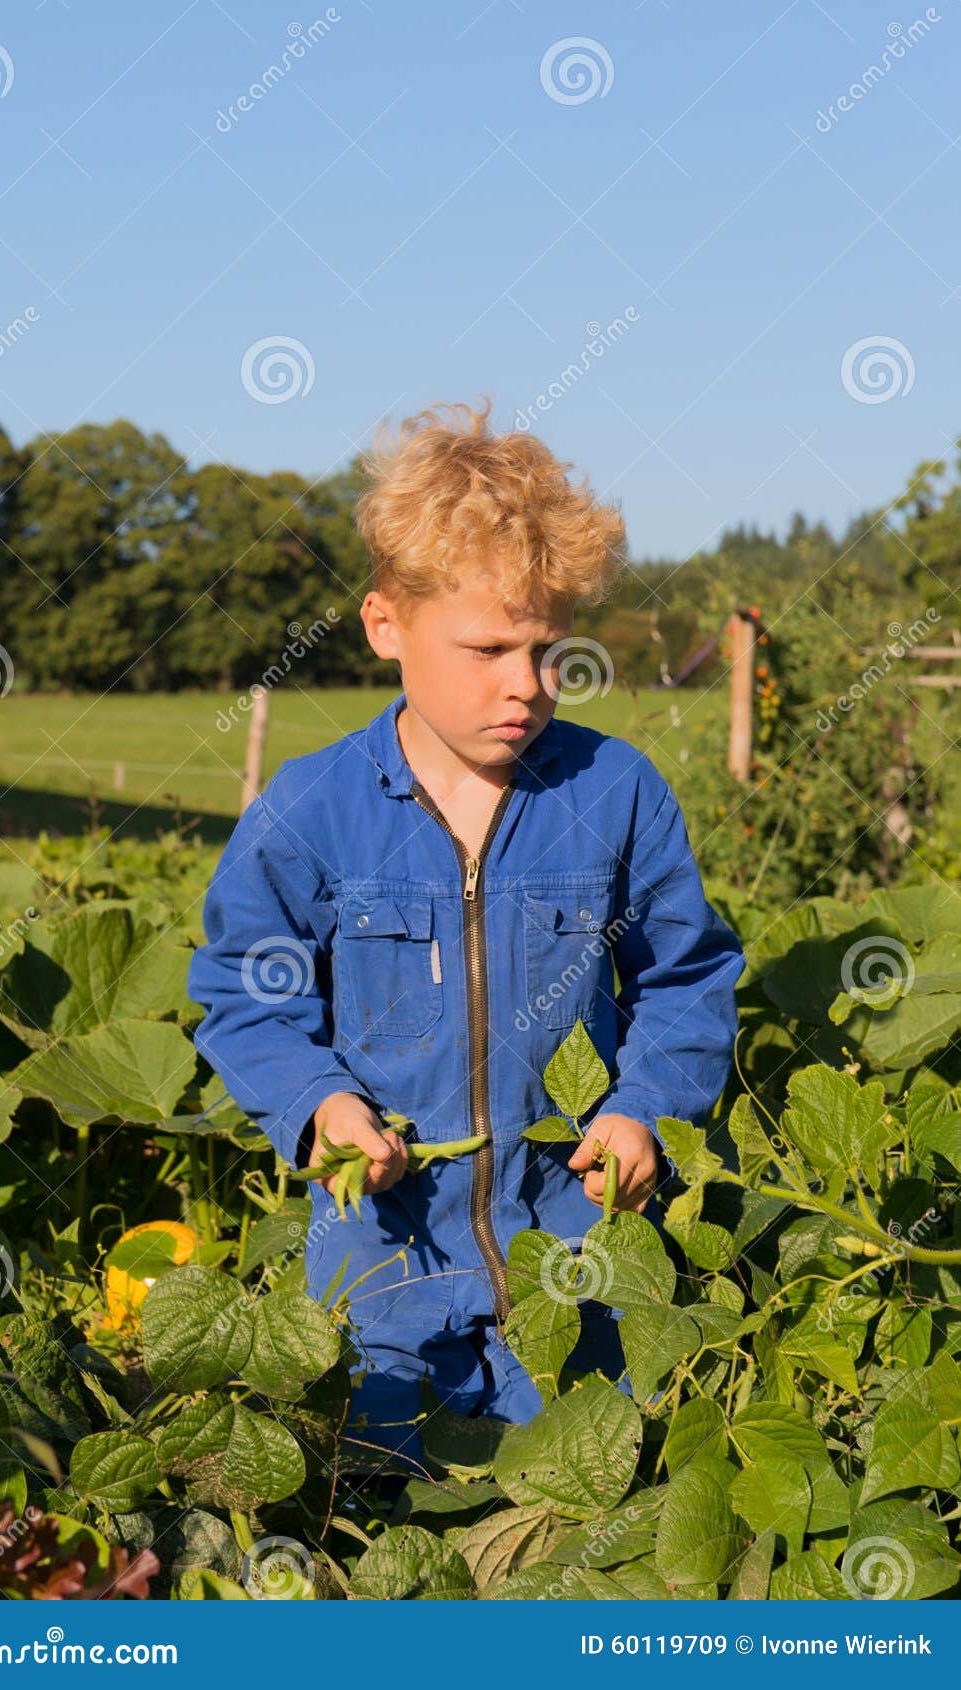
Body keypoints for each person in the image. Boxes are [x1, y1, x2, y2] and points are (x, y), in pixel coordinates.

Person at [187, 397, 746, 1468]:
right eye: (487, 647)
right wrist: (318, 1106)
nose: (524, 686)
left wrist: (642, 1110)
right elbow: (244, 994)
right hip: (383, 1284)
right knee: (390, 1550)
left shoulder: (613, 792)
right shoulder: (311, 812)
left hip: (578, 1284)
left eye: (546, 649)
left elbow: (686, 978)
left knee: (571, 1548)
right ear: (385, 624)